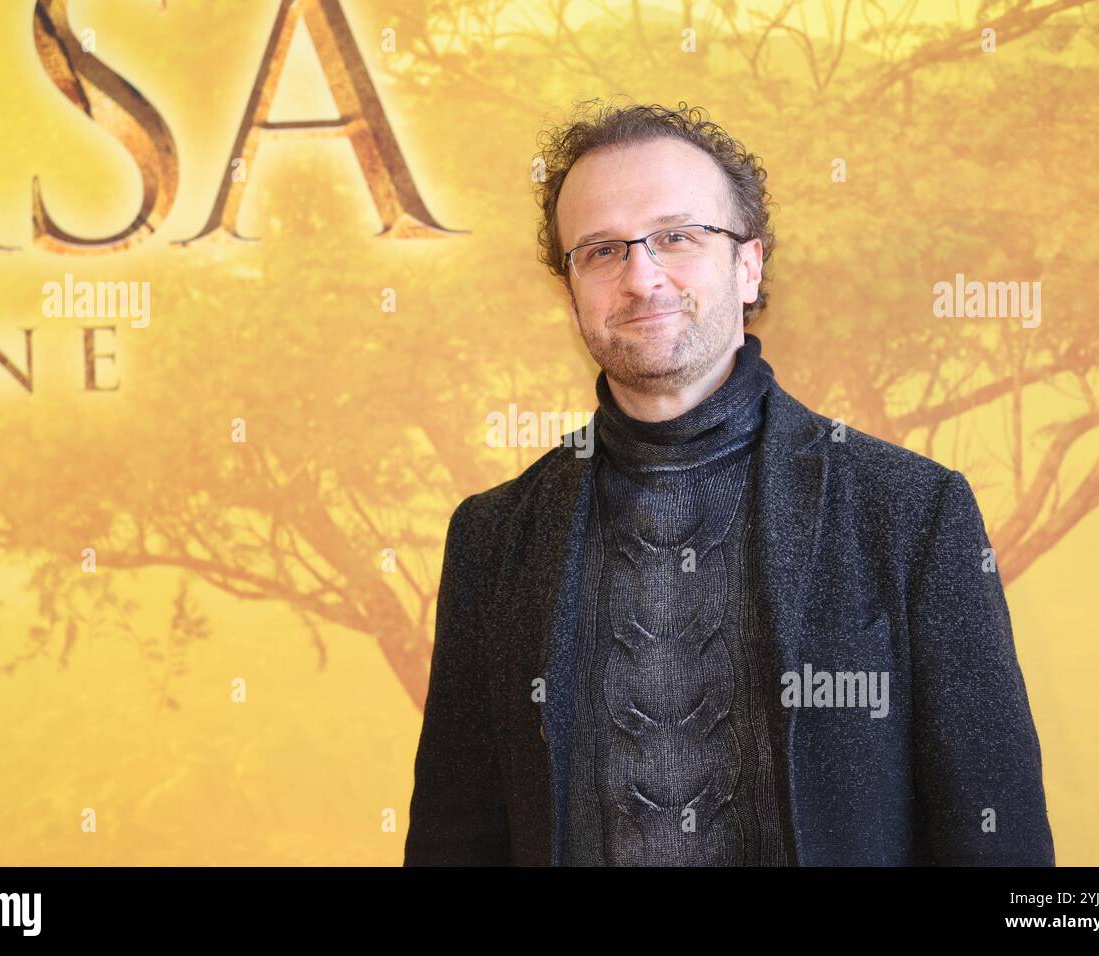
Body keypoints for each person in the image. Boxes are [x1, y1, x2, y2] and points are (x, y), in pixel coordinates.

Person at [404, 99, 1054, 866]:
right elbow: (456, 837)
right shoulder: (491, 536)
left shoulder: (911, 512)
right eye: (603, 250)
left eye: (677, 237)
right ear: (570, 288)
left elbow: (996, 836)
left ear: (748, 266)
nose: (641, 276)